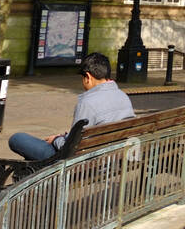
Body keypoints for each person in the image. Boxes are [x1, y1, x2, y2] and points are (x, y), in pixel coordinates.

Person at [7, 53, 136, 161]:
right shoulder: (122, 96)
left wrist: (56, 139)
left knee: (17, 138)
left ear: (88, 77)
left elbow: (71, 148)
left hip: (83, 162)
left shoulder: (87, 103)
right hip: (114, 155)